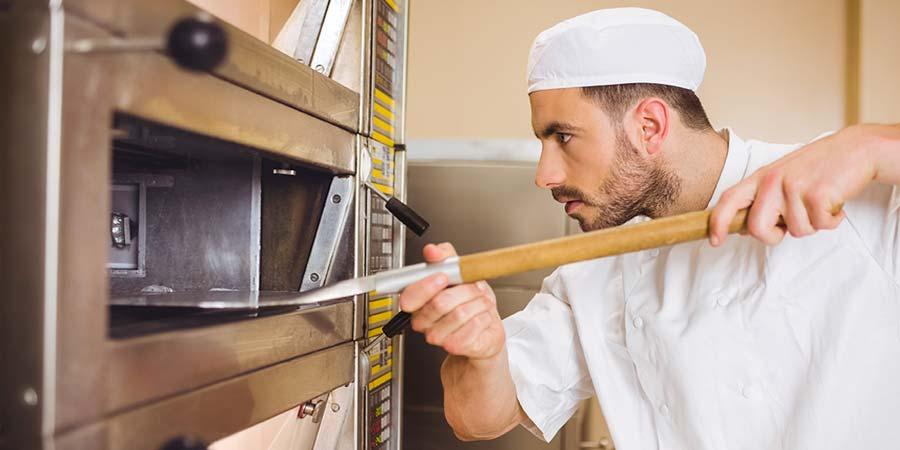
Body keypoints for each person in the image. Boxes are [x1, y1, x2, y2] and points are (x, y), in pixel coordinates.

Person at [398, 7, 900, 450]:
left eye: (563, 137)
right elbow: (474, 419)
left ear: (650, 127)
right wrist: (483, 353)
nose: (544, 174)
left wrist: (869, 145)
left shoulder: (851, 194)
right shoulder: (598, 266)